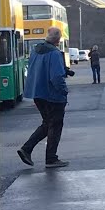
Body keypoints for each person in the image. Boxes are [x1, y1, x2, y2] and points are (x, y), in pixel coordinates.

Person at [16, 26, 72, 169]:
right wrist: (64, 91)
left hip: (37, 94)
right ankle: (51, 159)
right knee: (55, 125)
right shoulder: (54, 53)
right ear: (58, 39)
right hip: (53, 96)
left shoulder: (36, 50)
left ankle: (26, 149)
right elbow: (56, 77)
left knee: (48, 123)